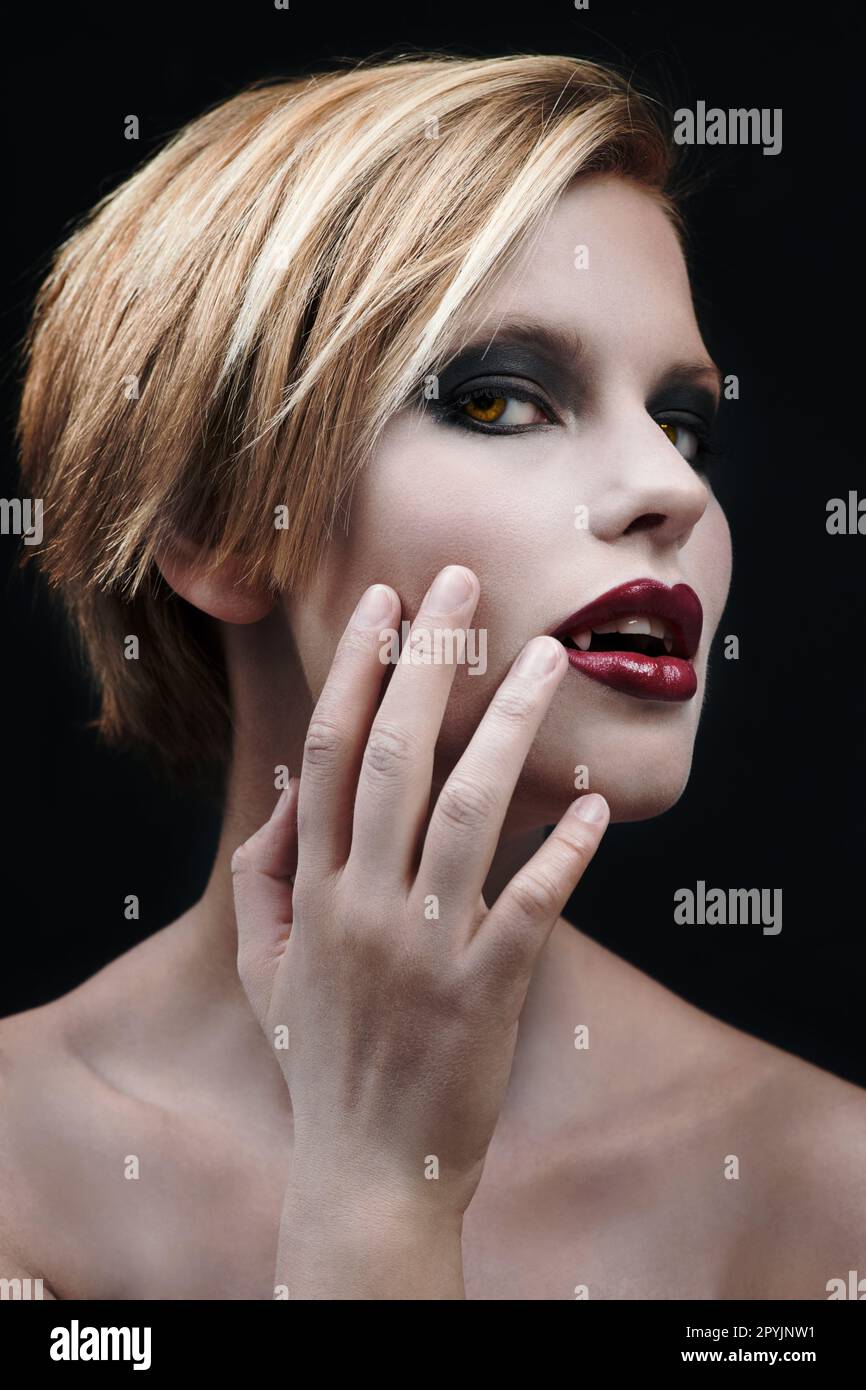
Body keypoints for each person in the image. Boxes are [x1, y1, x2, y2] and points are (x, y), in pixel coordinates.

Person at [4, 53, 864, 1301]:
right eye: (500, 400)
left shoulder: (823, 1190)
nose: (673, 489)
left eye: (682, 423)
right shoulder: (22, 1172)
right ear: (211, 525)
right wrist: (373, 1190)